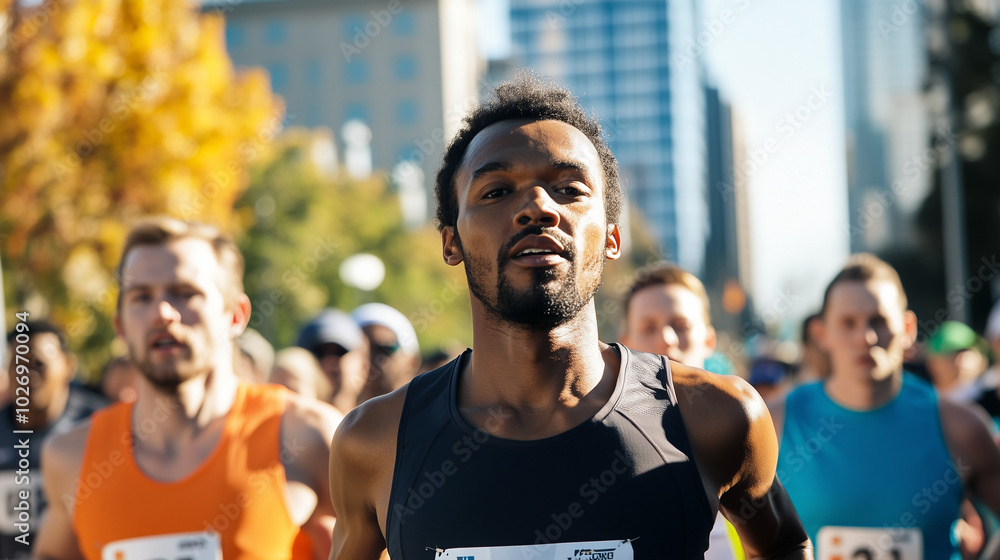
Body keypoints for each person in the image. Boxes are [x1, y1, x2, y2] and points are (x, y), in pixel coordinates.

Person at [329, 74, 811, 559]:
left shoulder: (716, 416)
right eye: (496, 191)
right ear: (451, 241)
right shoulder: (374, 441)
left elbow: (786, 546)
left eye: (569, 188)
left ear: (611, 237)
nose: (538, 207)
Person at [34, 217, 342, 560]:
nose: (163, 313)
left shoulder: (310, 436)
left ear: (235, 315)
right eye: (141, 297)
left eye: (185, 293)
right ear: (121, 326)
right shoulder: (71, 457)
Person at [771, 253, 1000, 559]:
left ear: (907, 328)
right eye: (847, 323)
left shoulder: (961, 426)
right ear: (820, 334)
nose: (865, 337)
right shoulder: (773, 422)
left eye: (878, 320)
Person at [619, 262, 747, 560]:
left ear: (709, 341)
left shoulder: (748, 437)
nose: (667, 339)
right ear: (624, 344)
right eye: (649, 327)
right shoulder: (602, 454)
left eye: (681, 325)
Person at [1, 321, 107, 559]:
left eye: (38, 363)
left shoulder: (102, 430)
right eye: (17, 365)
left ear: (68, 366)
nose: (26, 375)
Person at [296, 308, 369, 413]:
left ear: (364, 367)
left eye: (340, 352)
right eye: (319, 353)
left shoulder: (387, 427)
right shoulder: (275, 426)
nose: (330, 362)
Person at [351, 303, 422, 403]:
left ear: (412, 363)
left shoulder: (434, 417)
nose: (367, 358)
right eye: (359, 350)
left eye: (383, 349)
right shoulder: (329, 417)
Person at [925, 321, 989, 404]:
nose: (959, 360)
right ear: (932, 361)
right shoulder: (923, 401)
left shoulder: (992, 398)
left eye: (966, 352)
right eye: (950, 354)